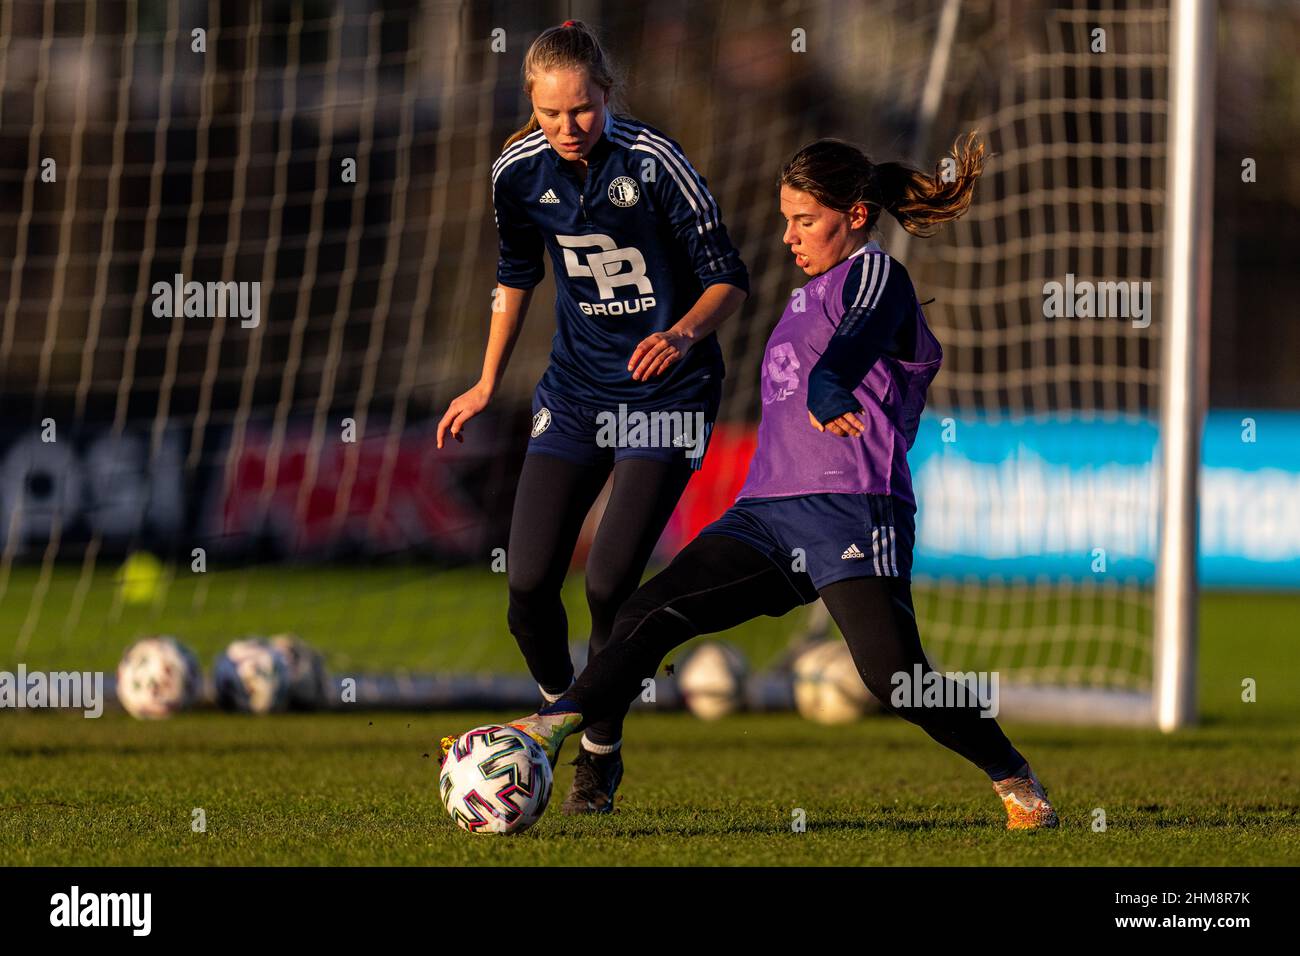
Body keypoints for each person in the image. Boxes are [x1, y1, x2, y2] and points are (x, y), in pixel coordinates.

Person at [473, 133, 1060, 830]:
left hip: (851, 510)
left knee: (893, 676)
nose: (789, 236)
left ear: (858, 215)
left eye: (805, 220)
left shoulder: (878, 278)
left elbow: (858, 340)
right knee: (644, 615)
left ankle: (1013, 775)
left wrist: (832, 385)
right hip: (765, 516)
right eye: (787, 220)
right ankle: (550, 733)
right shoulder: (802, 299)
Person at [435, 21, 749, 813]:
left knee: (611, 582)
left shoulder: (655, 163)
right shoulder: (515, 171)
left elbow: (728, 280)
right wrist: (483, 382)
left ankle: (597, 753)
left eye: (582, 110)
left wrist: (679, 335)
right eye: (550, 114)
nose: (568, 128)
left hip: (667, 397)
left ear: (605, 94)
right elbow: (515, 277)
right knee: (531, 580)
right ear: (530, 106)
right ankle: (555, 717)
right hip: (575, 394)